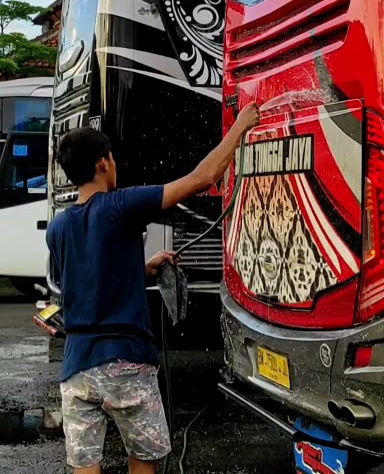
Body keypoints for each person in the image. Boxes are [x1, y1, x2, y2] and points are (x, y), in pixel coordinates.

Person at [48, 103, 261, 474]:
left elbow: (86, 282)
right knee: (144, 461)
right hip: (126, 362)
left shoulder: (58, 227)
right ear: (102, 163)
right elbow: (202, 178)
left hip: (77, 368)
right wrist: (241, 126)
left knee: (85, 466)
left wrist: (142, 269)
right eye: (112, 158)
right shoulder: (122, 205)